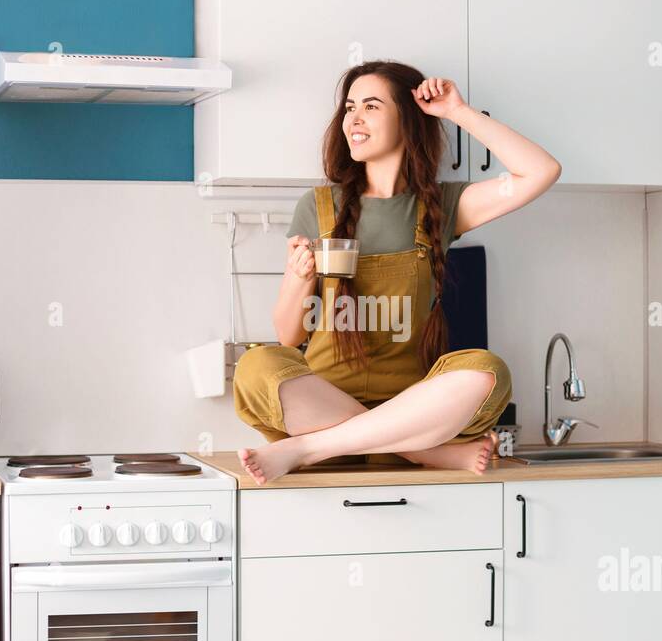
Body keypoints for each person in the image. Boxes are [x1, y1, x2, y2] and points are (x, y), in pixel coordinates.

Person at [232, 60, 560, 484]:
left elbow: (541, 171)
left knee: (488, 370)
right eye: (349, 107)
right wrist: (299, 277)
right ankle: (420, 451)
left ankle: (312, 449)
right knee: (255, 366)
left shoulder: (441, 206)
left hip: (411, 406)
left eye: (371, 106)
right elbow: (289, 336)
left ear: (408, 120)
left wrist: (457, 112)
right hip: (328, 405)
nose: (354, 118)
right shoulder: (317, 206)